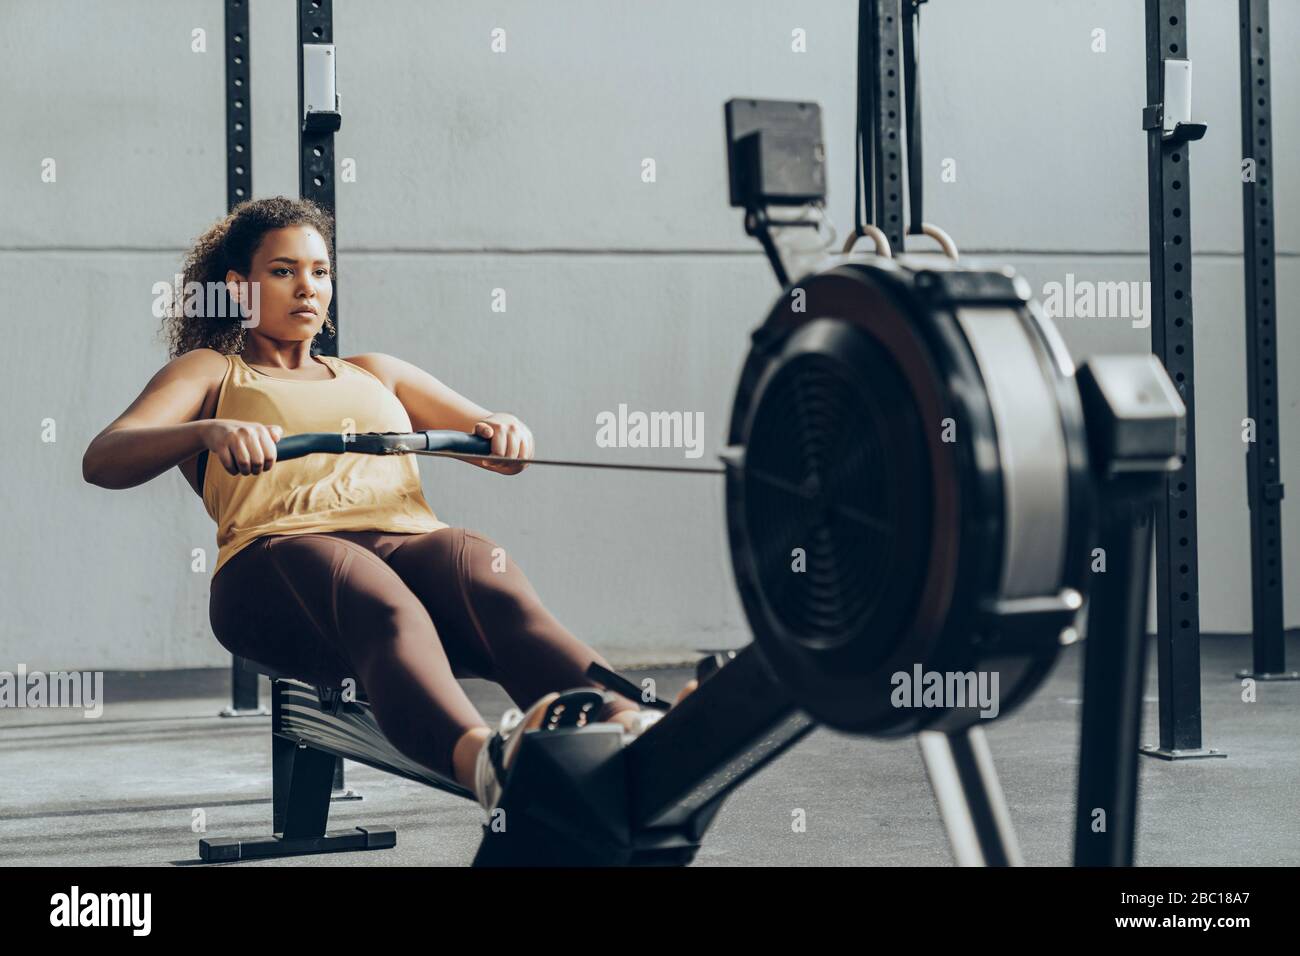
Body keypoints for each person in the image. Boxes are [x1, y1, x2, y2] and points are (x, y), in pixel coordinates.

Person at [81, 196, 694, 816]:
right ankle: (490, 765)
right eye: (283, 271)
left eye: (320, 272)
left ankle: (635, 725)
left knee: (477, 562)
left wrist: (504, 431)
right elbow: (104, 458)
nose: (308, 288)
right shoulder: (213, 373)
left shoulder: (374, 373)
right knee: (370, 589)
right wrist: (206, 432)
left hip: (402, 544)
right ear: (239, 287)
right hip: (273, 566)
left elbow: (492, 437)